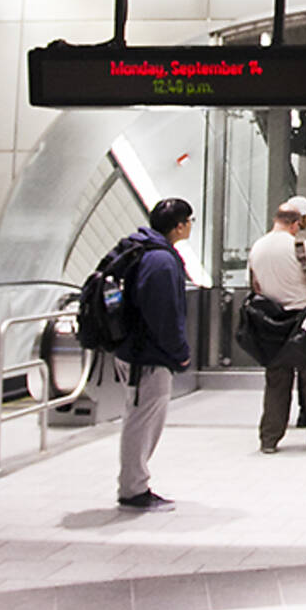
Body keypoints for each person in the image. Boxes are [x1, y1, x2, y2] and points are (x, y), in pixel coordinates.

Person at [116, 198, 194, 509]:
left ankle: (135, 482)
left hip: (137, 350)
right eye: (189, 220)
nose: (190, 225)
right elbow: (163, 313)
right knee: (143, 419)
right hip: (147, 355)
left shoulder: (145, 251)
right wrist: (179, 351)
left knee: (140, 416)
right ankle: (133, 488)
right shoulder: (160, 261)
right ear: (178, 226)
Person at [249, 196, 306, 454]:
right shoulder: (300, 246)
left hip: (271, 323)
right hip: (302, 322)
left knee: (276, 381)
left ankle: (269, 439)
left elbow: (256, 286)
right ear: (295, 224)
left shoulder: (258, 247)